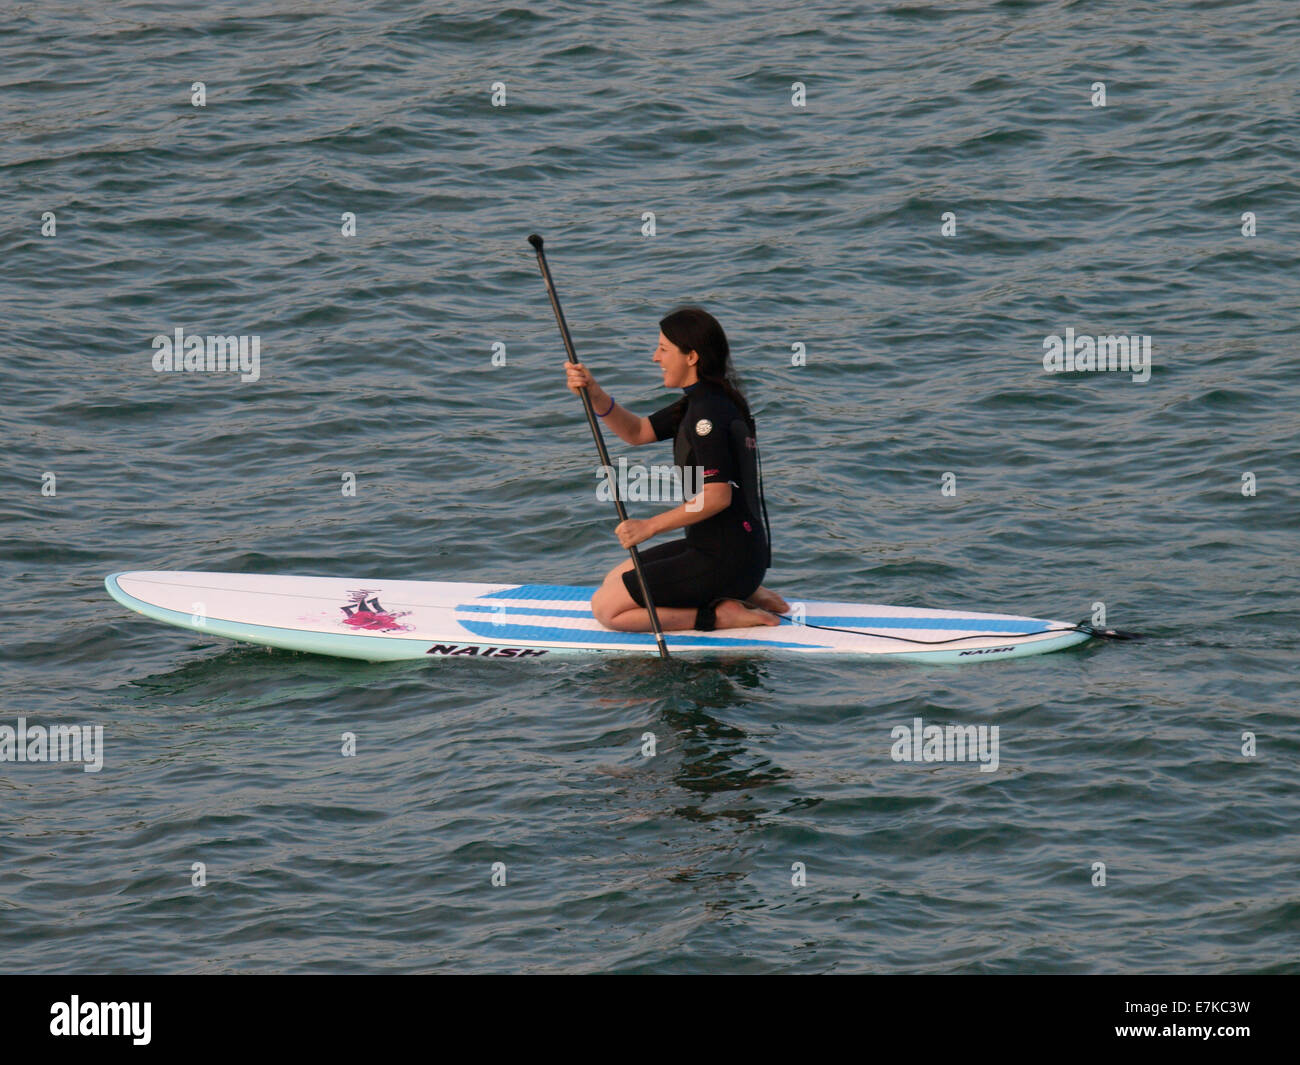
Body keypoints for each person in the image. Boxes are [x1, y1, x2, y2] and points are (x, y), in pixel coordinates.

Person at [564, 306, 789, 632]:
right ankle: (743, 591)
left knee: (607, 609)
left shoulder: (706, 417)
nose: (656, 358)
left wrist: (649, 527)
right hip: (734, 551)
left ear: (691, 357)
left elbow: (717, 497)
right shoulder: (708, 400)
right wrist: (594, 393)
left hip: (723, 558)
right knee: (614, 579)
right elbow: (637, 432)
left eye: (664, 349)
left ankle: (718, 615)